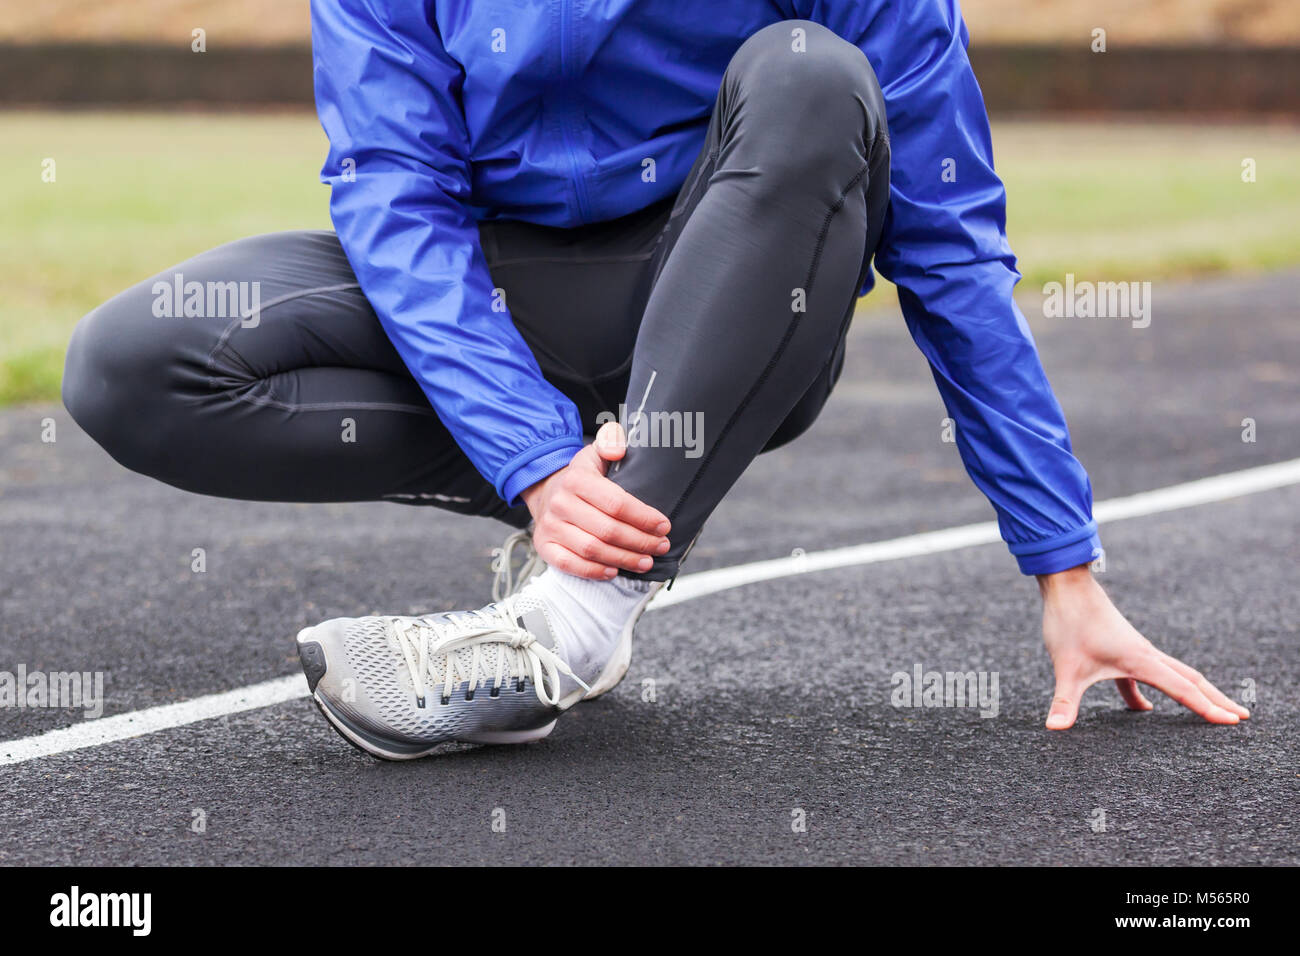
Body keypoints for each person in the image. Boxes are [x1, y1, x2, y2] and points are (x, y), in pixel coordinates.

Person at [62, 1, 1249, 759]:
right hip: (503, 292)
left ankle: (574, 622)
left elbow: (947, 247)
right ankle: (593, 516)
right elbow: (396, 197)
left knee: (809, 70)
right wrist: (530, 456)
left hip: (727, 301)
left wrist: (1064, 562)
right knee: (134, 361)